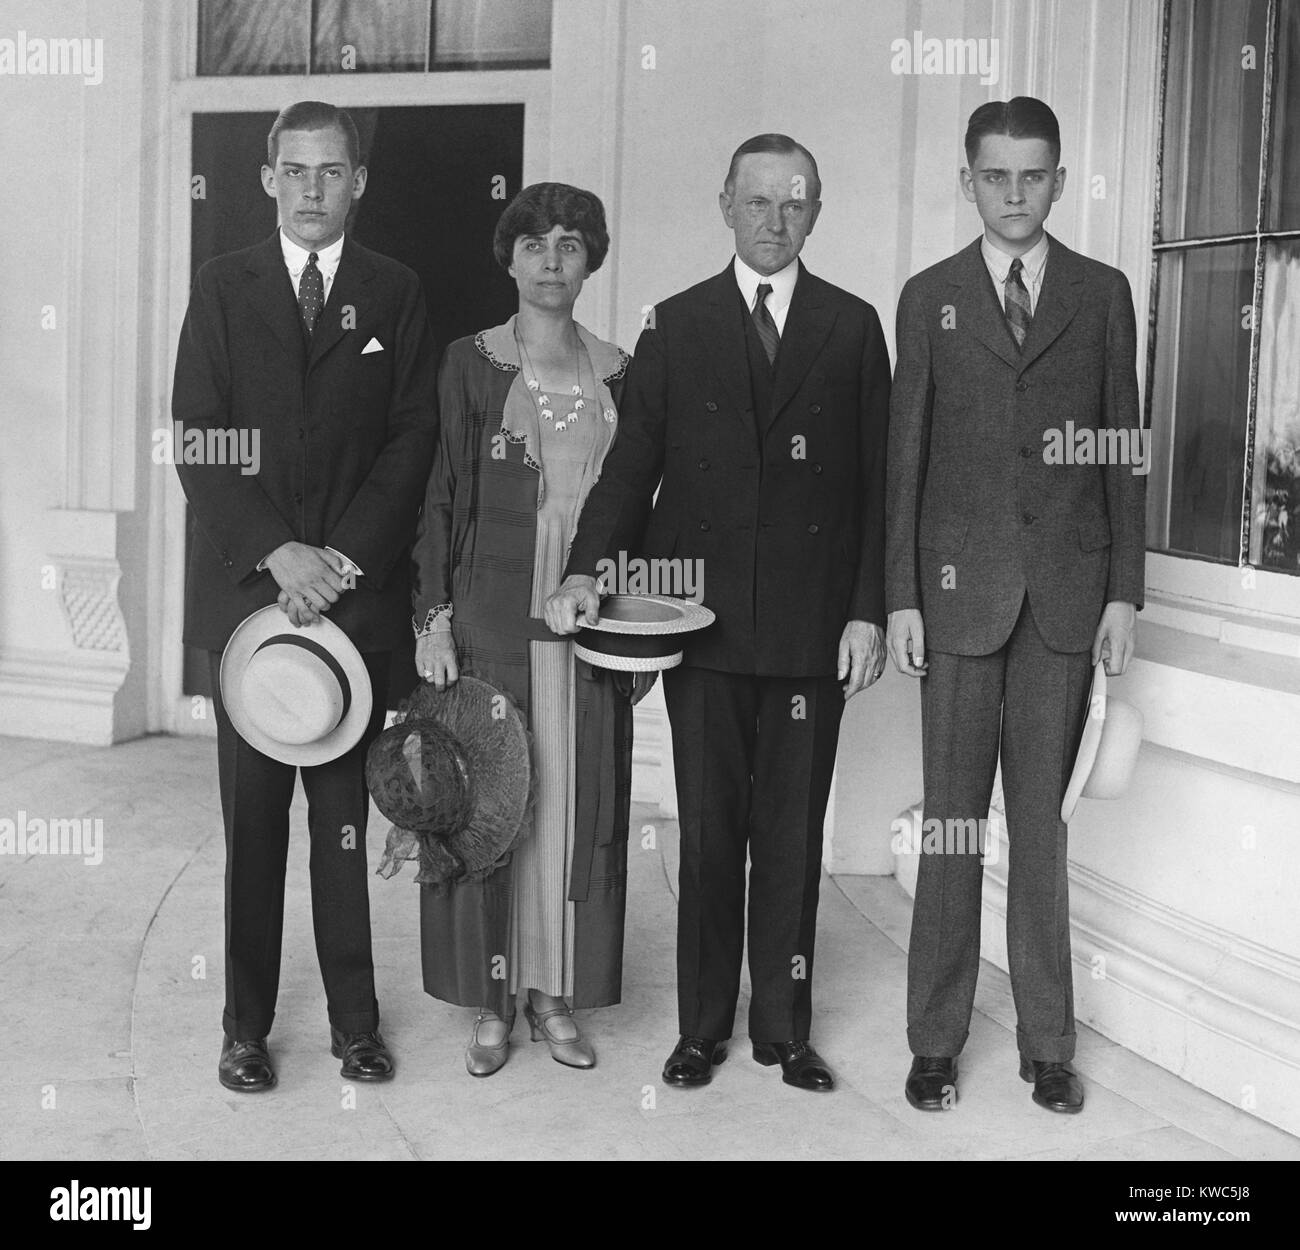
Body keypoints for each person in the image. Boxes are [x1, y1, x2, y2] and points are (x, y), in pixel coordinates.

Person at [546, 135, 892, 1093]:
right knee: (708, 834)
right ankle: (701, 1029)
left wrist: (867, 612)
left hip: (812, 629)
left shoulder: (854, 326)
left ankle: (785, 1027)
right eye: (757, 203)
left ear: (816, 212)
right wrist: (586, 572)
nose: (775, 221)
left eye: (794, 203)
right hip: (698, 626)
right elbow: (632, 467)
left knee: (792, 835)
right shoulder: (677, 322)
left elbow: (877, 489)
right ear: (726, 206)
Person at [885, 97, 1146, 1114]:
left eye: (1031, 175)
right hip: (954, 602)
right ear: (967, 181)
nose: (1013, 193)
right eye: (994, 175)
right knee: (953, 824)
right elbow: (903, 459)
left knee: (1039, 826)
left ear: (1060, 180)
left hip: (1066, 603)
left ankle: (1047, 1040)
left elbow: (1121, 447)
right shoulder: (930, 297)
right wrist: (900, 597)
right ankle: (934, 1039)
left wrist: (1124, 588)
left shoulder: (1101, 293)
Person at [173, 100, 438, 1091]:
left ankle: (355, 1025)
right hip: (250, 605)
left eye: (333, 171)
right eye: (297, 170)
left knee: (340, 826)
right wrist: (278, 553)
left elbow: (414, 436)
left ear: (359, 180)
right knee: (254, 831)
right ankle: (244, 1029)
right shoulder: (222, 286)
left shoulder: (396, 290)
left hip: (353, 607)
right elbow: (199, 435)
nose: (314, 188)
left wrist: (341, 559)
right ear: (268, 178)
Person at [411, 182, 645, 1078]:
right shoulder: (470, 362)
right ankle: (491, 1002)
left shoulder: (622, 369)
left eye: (572, 244)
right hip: (489, 607)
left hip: (585, 613)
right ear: (509, 259)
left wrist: (637, 619)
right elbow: (439, 498)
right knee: (491, 800)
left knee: (572, 805)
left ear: (592, 259)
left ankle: (554, 997)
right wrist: (433, 620)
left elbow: (636, 506)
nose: (553, 260)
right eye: (536, 244)